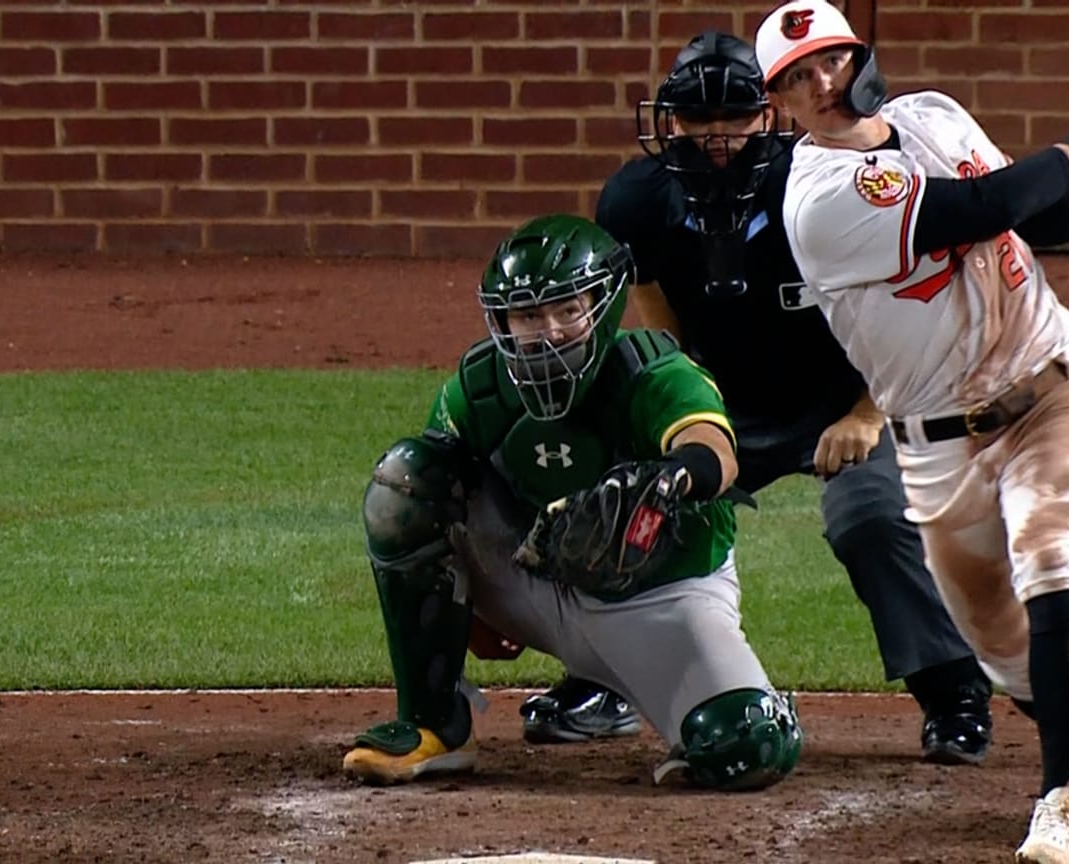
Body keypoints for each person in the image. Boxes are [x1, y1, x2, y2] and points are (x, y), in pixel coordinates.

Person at [753, 1, 1069, 861]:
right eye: (796, 79)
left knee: (1049, 556)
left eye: (831, 61)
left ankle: (1060, 800)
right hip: (936, 446)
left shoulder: (933, 115)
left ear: (858, 56)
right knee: (1002, 654)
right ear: (780, 105)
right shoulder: (818, 199)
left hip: (1045, 392)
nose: (821, 83)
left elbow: (1025, 217)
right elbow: (977, 206)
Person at [518, 31, 996, 767]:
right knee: (625, 499)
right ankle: (607, 681)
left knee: (870, 518)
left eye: (736, 117)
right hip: (726, 405)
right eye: (697, 119)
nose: (716, 137)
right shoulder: (636, 199)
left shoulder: (825, 186)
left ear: (767, 113)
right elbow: (655, 310)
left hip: (850, 397)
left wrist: (867, 415)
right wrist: (679, 411)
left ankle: (954, 695)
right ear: (667, 120)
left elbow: (915, 303)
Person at [342, 213, 802, 792]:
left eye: (568, 310)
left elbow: (714, 450)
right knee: (405, 481)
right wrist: (463, 613)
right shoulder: (482, 386)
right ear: (502, 321)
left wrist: (669, 480)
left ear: (602, 308)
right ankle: (434, 724)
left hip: (660, 602)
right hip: (538, 580)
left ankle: (622, 693)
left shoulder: (650, 370)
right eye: (529, 315)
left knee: (745, 746)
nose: (550, 331)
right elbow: (433, 500)